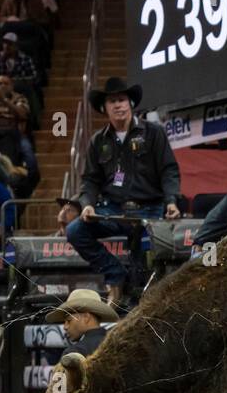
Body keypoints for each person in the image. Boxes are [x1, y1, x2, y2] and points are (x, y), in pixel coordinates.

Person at [68, 76, 181, 307]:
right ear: (104, 108)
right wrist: (87, 203)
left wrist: (172, 201)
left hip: (149, 211)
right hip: (113, 211)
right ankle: (114, 275)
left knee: (142, 270)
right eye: (112, 101)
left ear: (130, 103)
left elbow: (169, 170)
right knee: (75, 230)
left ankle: (134, 298)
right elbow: (90, 180)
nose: (118, 105)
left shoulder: (154, 133)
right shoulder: (97, 141)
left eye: (122, 99)